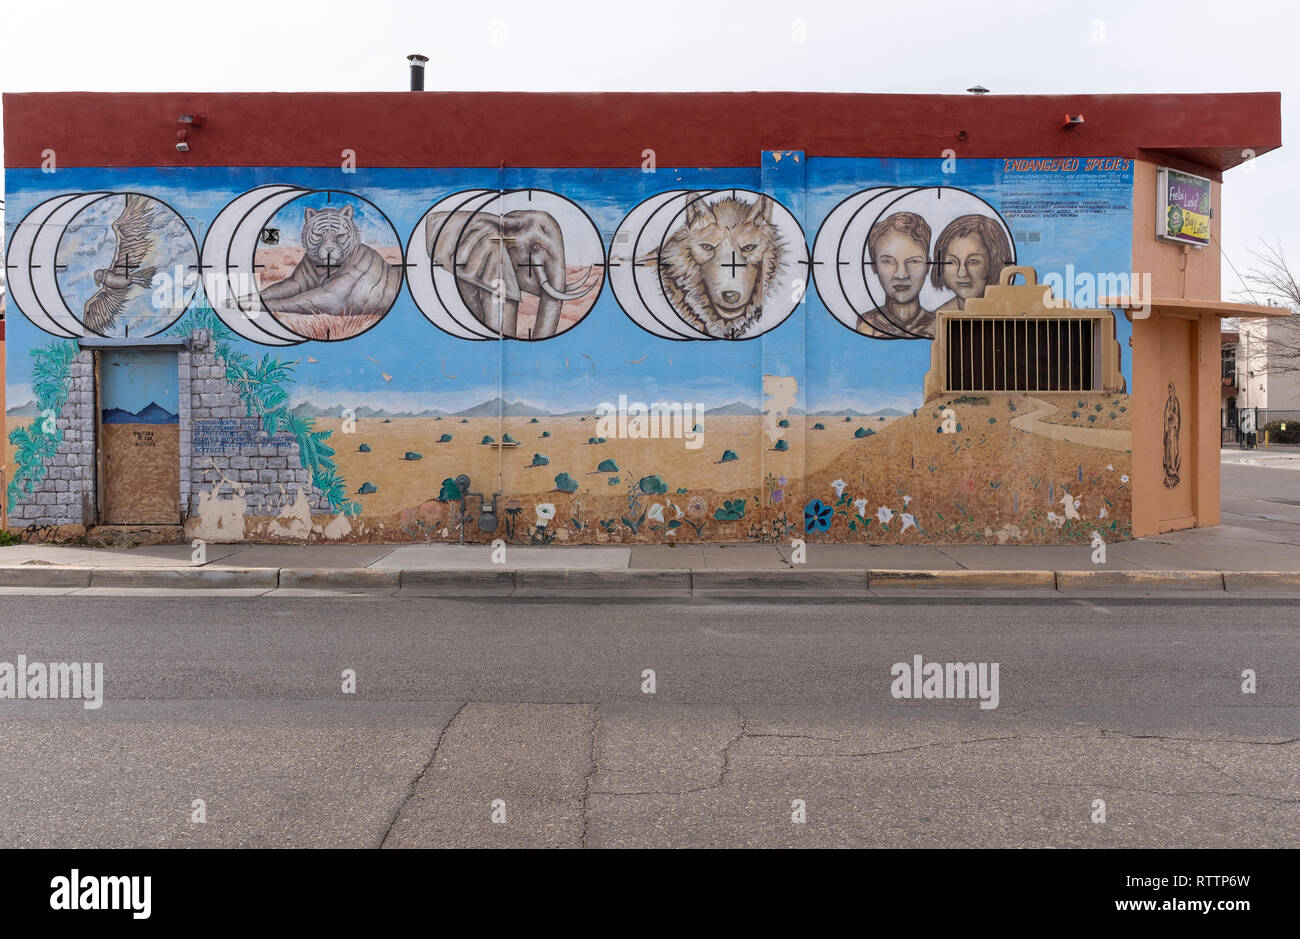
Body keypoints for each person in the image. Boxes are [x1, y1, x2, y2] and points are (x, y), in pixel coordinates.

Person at [858, 212, 933, 338]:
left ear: (928, 266)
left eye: (914, 261)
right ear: (874, 266)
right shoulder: (866, 325)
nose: (901, 275)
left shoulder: (940, 325)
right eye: (888, 261)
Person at [932, 215, 1014, 313]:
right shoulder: (936, 320)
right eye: (952, 262)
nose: (962, 273)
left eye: (973, 261)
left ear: (995, 262)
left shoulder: (1015, 313)